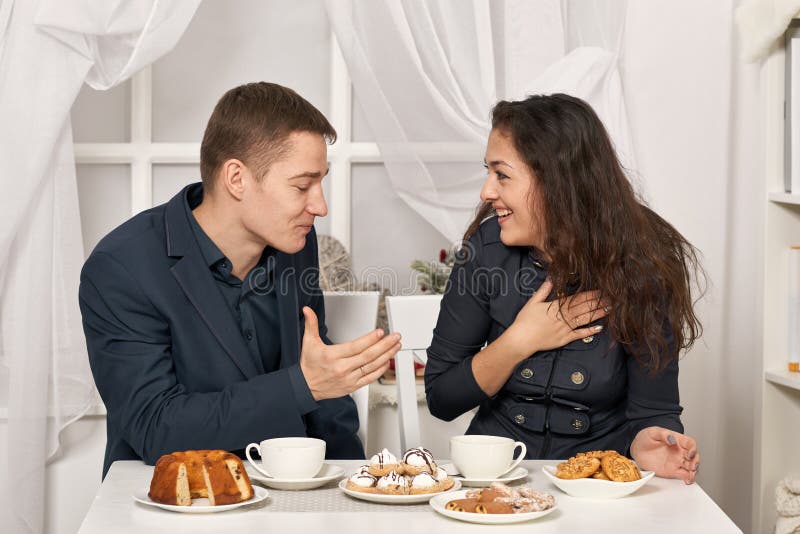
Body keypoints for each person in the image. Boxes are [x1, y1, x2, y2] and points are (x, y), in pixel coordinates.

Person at [80, 82, 401, 477]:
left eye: (321, 183)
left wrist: (359, 485)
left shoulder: (296, 242)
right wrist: (303, 386)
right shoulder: (121, 267)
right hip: (170, 502)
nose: (320, 206)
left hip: (285, 495)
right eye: (302, 186)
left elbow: (322, 386)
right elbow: (156, 427)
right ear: (236, 178)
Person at [425, 93, 702, 484]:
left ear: (558, 181)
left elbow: (653, 411)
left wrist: (648, 445)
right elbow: (442, 397)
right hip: (495, 480)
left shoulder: (647, 257)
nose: (487, 192)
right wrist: (521, 339)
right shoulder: (486, 250)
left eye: (502, 175)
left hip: (597, 488)